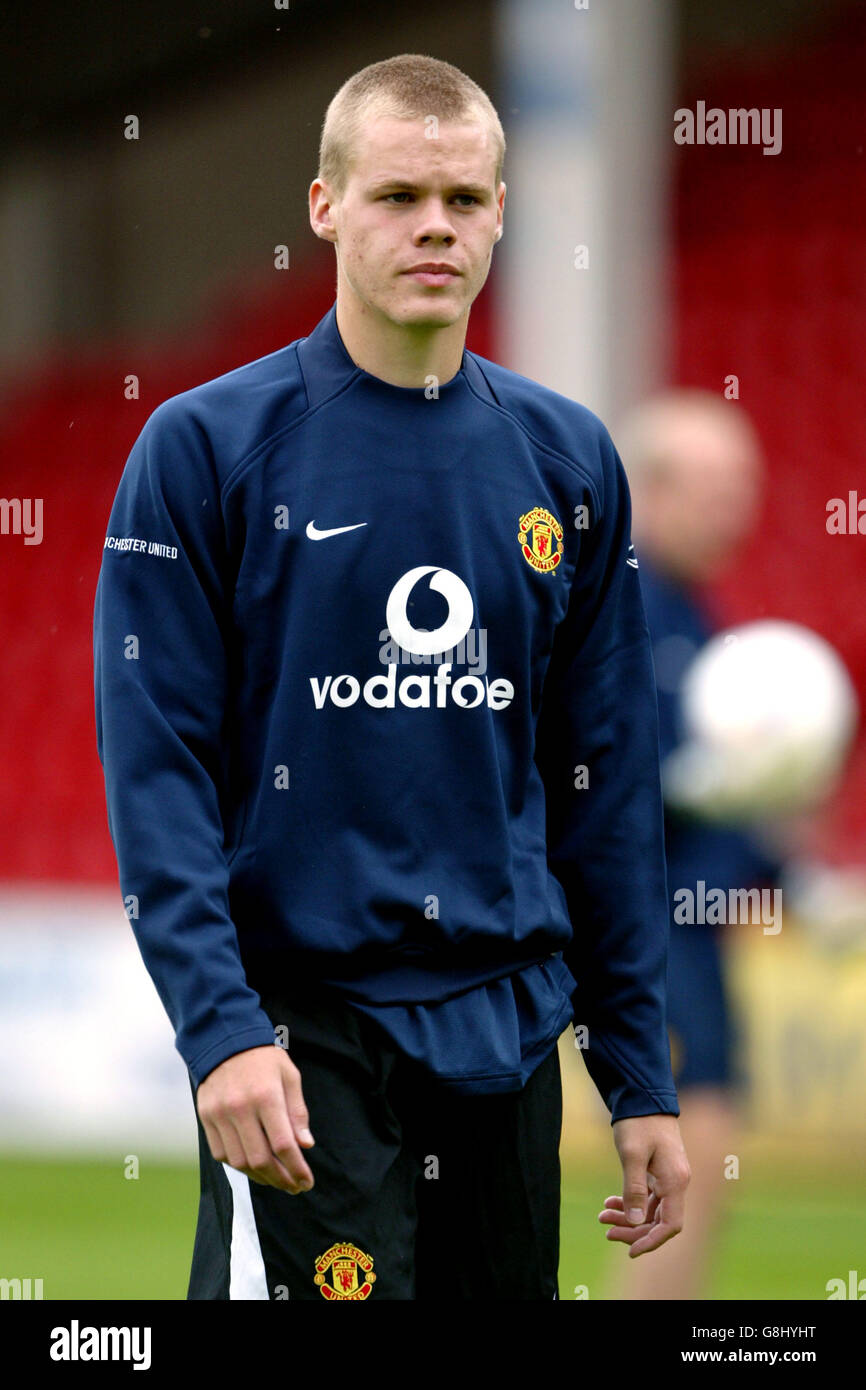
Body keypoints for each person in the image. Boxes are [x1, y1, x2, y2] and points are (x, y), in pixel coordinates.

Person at [93, 52, 689, 1302]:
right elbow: (156, 772)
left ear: (501, 215)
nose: (435, 226)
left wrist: (635, 1074)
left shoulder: (567, 459)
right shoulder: (203, 449)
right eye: (398, 195)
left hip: (507, 1033)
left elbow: (609, 791)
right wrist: (221, 1034)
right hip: (299, 1040)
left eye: (465, 199)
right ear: (324, 207)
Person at [610, 390, 781, 1299]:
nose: (740, 505)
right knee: (692, 1128)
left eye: (746, 484)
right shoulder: (623, 603)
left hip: (682, 923)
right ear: (656, 488)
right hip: (646, 925)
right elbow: (615, 783)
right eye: (718, 485)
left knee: (695, 1131)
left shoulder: (690, 608)